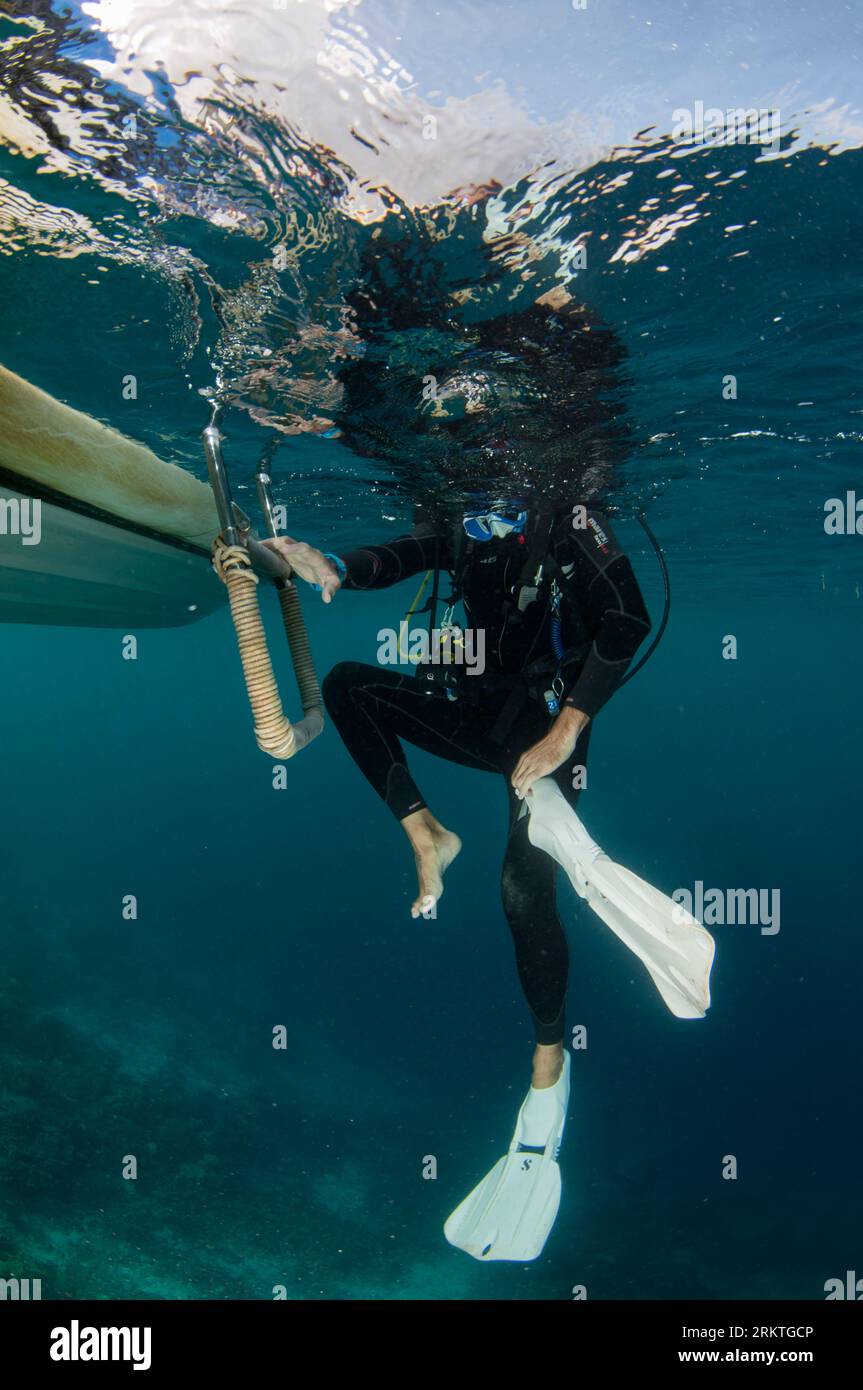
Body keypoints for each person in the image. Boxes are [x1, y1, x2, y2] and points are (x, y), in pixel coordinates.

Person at [264, 499, 651, 1097]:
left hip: (549, 734)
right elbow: (402, 555)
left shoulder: (569, 518)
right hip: (477, 717)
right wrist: (335, 563)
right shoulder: (457, 516)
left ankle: (548, 1053)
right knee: (347, 686)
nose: (488, 524)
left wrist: (566, 731)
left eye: (506, 515)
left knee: (522, 892)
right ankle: (428, 835)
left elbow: (628, 618)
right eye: (477, 517)